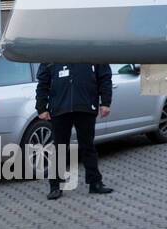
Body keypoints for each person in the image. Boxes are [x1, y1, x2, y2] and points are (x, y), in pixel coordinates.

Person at [35, 63, 113, 199]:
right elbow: (43, 82)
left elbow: (105, 77)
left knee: (88, 146)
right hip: (60, 108)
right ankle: (55, 186)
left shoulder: (92, 49)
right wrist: (41, 106)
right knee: (59, 148)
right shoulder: (52, 52)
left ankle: (95, 183)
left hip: (85, 106)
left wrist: (105, 102)